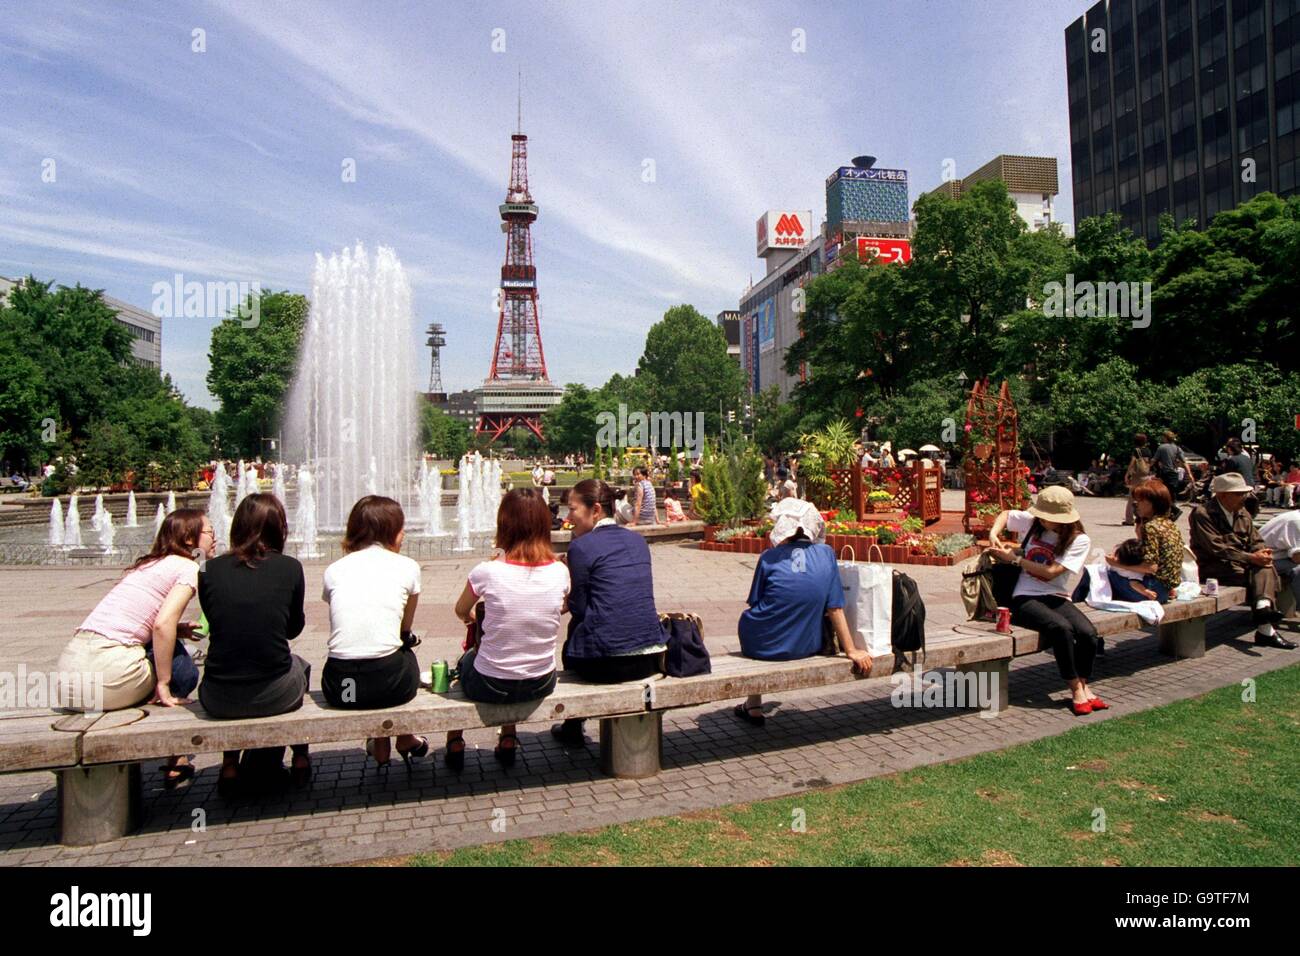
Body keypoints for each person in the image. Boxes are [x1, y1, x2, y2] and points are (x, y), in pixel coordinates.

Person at [55, 508, 213, 788]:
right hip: (108, 677)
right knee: (183, 671)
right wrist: (163, 682)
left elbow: (137, 622)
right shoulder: (187, 567)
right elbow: (162, 625)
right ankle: (175, 754)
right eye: (210, 533)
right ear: (190, 540)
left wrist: (176, 630)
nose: (214, 539)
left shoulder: (147, 565)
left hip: (69, 677)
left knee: (169, 646)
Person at [198, 494, 313, 795]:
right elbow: (293, 629)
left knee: (240, 664)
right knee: (301, 665)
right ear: (280, 529)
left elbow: (217, 622)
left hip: (217, 695)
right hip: (276, 694)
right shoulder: (290, 567)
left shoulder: (209, 570)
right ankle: (300, 756)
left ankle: (230, 764)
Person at [447, 490, 569, 768]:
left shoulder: (487, 571)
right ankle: (508, 738)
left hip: (490, 684)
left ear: (504, 524)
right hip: (541, 682)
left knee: (464, 661)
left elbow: (460, 610)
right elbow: (559, 606)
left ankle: (454, 740)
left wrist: (473, 621)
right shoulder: (560, 571)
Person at [735, 499, 871, 724]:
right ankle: (753, 706)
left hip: (760, 645)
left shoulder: (769, 557)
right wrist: (852, 650)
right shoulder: (826, 554)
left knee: (759, 619)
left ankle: (753, 705)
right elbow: (835, 607)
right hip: (804, 645)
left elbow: (755, 602)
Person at [552, 479, 665, 745]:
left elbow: (579, 609)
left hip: (606, 665)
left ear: (596, 511)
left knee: (575, 633)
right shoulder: (637, 540)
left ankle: (573, 726)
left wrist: (569, 589)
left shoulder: (581, 546)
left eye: (573, 509)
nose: (568, 518)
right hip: (651, 657)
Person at [321, 496, 428, 770]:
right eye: (401, 528)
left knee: (371, 657)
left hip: (341, 689)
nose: (404, 535)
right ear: (391, 531)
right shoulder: (408, 567)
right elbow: (404, 630)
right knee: (402, 652)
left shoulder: (333, 570)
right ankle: (405, 740)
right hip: (390, 687)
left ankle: (380, 743)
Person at [986, 487, 1104, 715]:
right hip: (1022, 595)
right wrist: (994, 534)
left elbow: (1051, 572)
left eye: (1046, 517)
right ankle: (1077, 690)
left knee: (1088, 633)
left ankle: (1083, 683)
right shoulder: (1034, 522)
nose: (1040, 519)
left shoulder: (1079, 540)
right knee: (1060, 628)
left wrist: (1015, 560)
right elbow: (1005, 515)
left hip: (1055, 595)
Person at [1189, 473, 1296, 648]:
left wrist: (1262, 553)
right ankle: (1265, 624)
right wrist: (1252, 558)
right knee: (1264, 571)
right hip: (1214, 567)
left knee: (1265, 566)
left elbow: (1256, 539)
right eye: (1239, 493)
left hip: (1242, 565)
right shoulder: (1203, 514)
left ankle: (1263, 611)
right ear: (1223, 495)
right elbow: (1216, 547)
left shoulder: (1242, 511)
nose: (1244, 497)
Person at [1259, 509, 1300, 615]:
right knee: (1298, 570)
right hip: (1262, 562)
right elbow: (1297, 557)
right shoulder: (1296, 521)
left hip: (1279, 557)